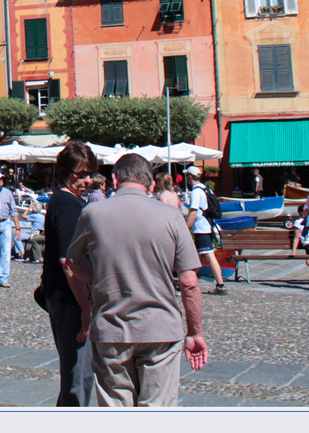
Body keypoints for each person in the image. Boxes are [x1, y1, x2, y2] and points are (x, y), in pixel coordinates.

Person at [65, 152, 209, 407]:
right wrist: (195, 331)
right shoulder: (172, 216)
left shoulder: (92, 213)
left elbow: (73, 264)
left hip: (111, 329)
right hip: (160, 329)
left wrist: (99, 274)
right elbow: (189, 282)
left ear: (114, 180)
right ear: (151, 184)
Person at [42, 141, 97, 407]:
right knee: (79, 377)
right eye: (81, 174)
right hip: (69, 299)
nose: (88, 180)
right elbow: (69, 263)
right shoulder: (67, 205)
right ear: (66, 172)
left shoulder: (68, 200)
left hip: (63, 296)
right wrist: (86, 308)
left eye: (90, 173)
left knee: (77, 377)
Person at [183, 165, 226, 296]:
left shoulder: (196, 191)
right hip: (208, 225)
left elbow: (194, 213)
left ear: (190, 177)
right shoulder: (207, 189)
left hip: (201, 228)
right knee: (195, 257)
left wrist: (185, 228)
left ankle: (220, 285)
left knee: (209, 255)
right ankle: (188, 284)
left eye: (186, 176)